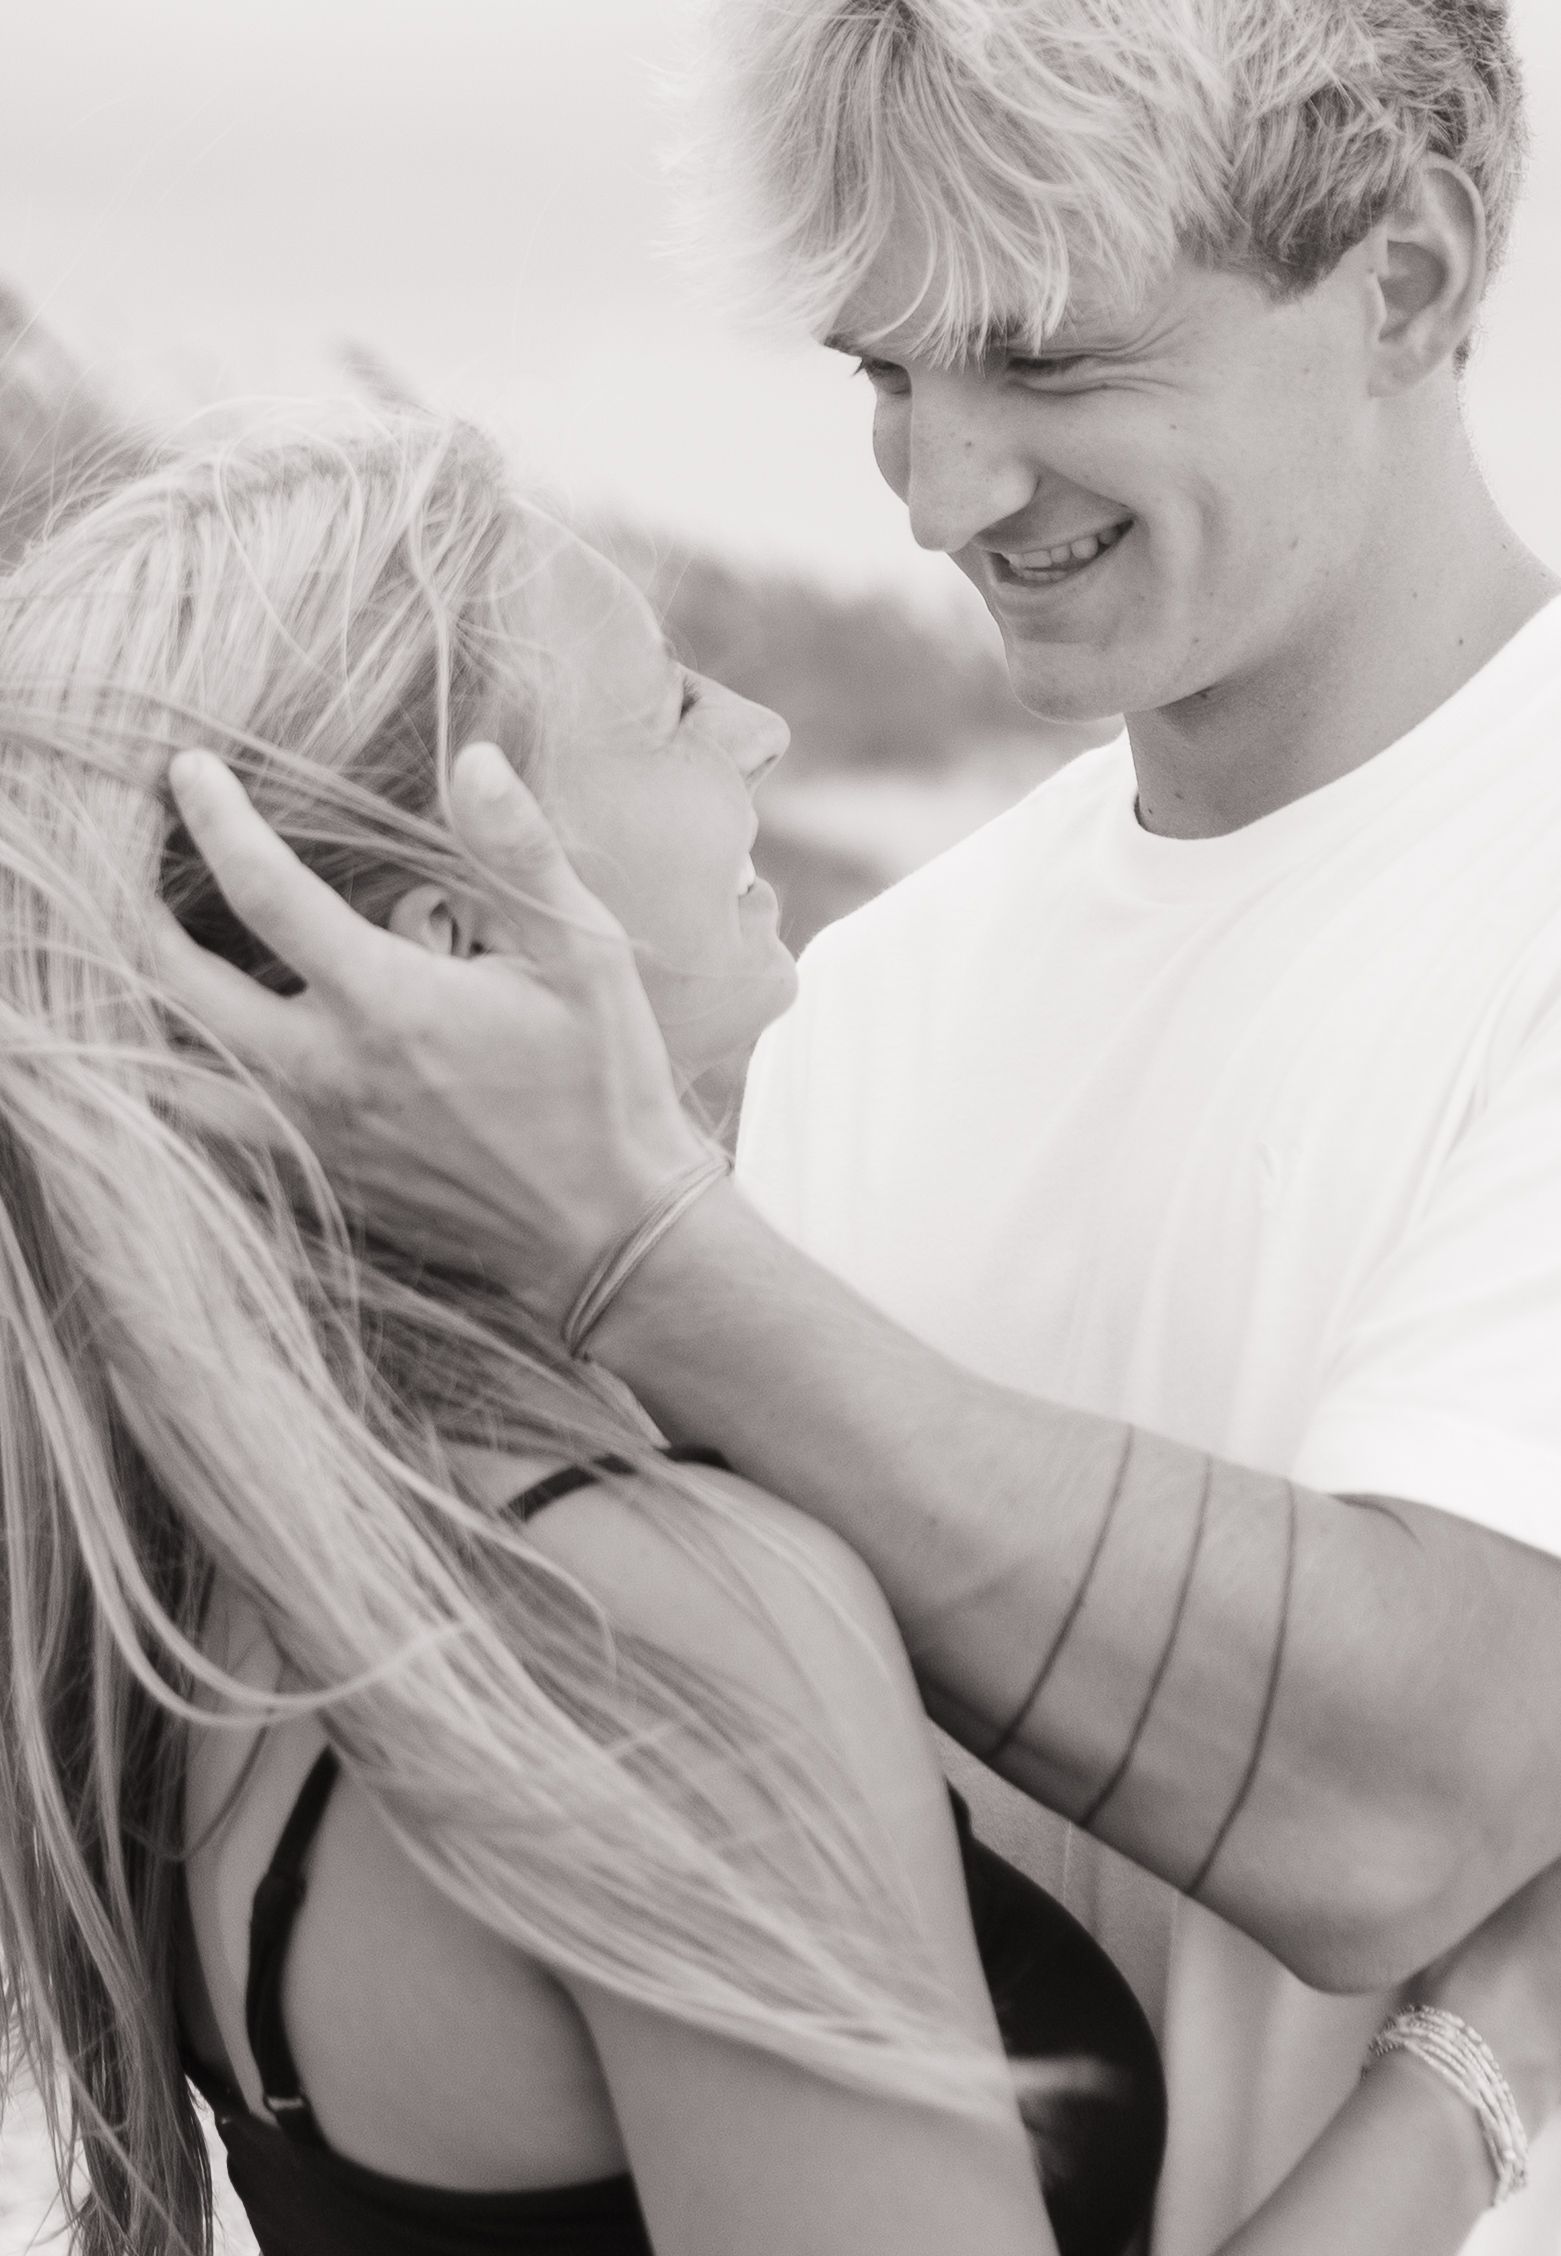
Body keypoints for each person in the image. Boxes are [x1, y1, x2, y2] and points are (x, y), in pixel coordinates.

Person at [152, 3, 1561, 2253]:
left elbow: (1409, 1808)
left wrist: (642, 1249)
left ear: (1400, 276)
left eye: (1046, 356)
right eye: (886, 372)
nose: (936, 493)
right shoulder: (860, 1001)